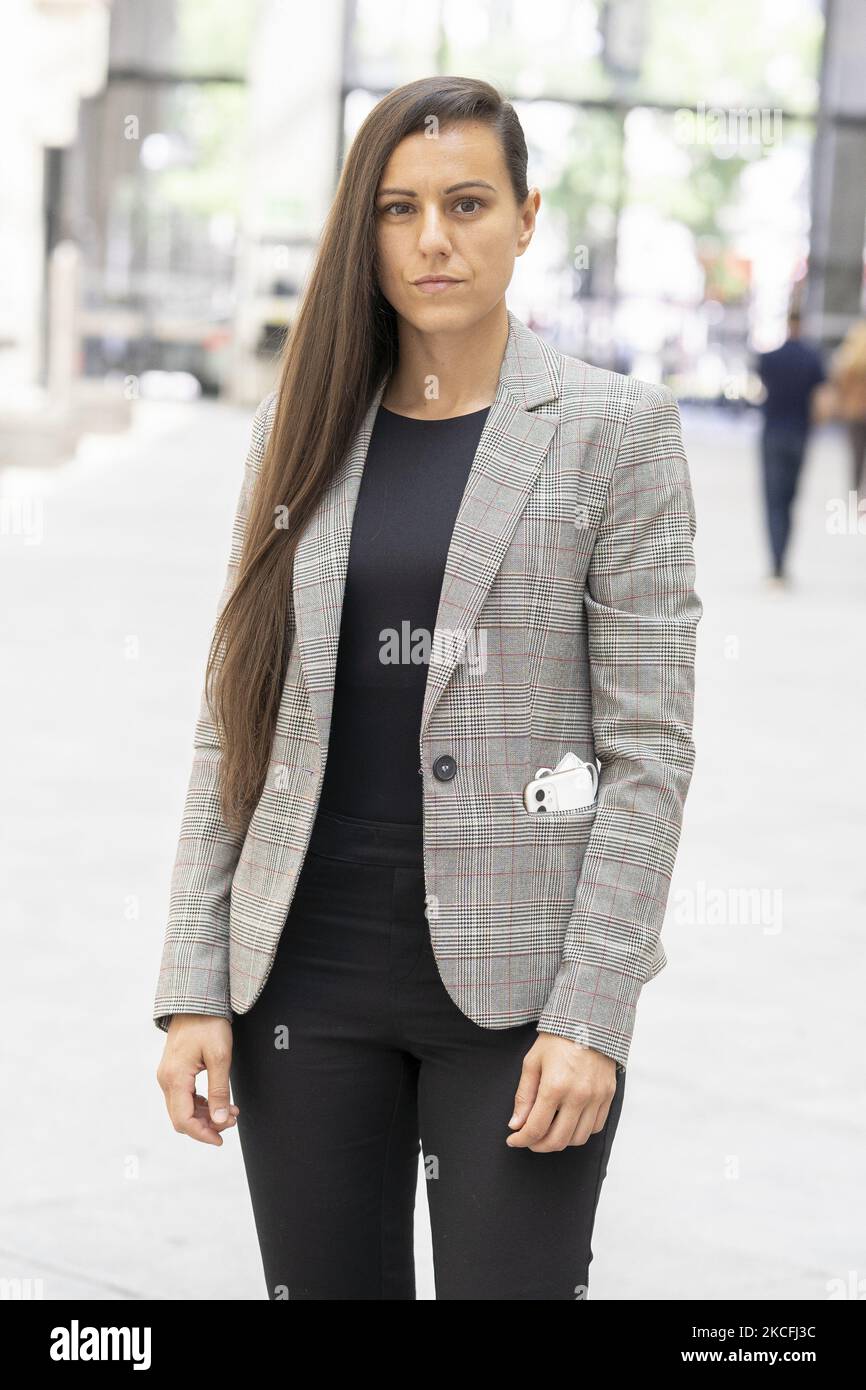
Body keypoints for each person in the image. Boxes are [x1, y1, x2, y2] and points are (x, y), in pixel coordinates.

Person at [153, 76, 702, 1301]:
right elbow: (230, 720)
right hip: (303, 971)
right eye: (398, 210)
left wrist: (594, 1009)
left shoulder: (616, 432)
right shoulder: (298, 429)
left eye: (465, 203)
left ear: (525, 215)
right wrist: (192, 980)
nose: (433, 239)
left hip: (517, 990)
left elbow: (647, 751)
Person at [754, 308, 826, 587]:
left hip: (772, 434)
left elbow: (760, 388)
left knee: (772, 501)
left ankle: (776, 563)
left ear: (787, 324)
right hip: (800, 436)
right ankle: (783, 562)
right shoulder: (812, 359)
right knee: (790, 500)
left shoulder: (769, 359)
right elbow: (821, 402)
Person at [828, 319, 866, 499]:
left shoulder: (857, 337)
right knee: (857, 458)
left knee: (857, 457)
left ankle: (858, 497)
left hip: (856, 410)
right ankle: (857, 497)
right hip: (857, 411)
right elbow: (844, 370)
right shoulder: (858, 335)